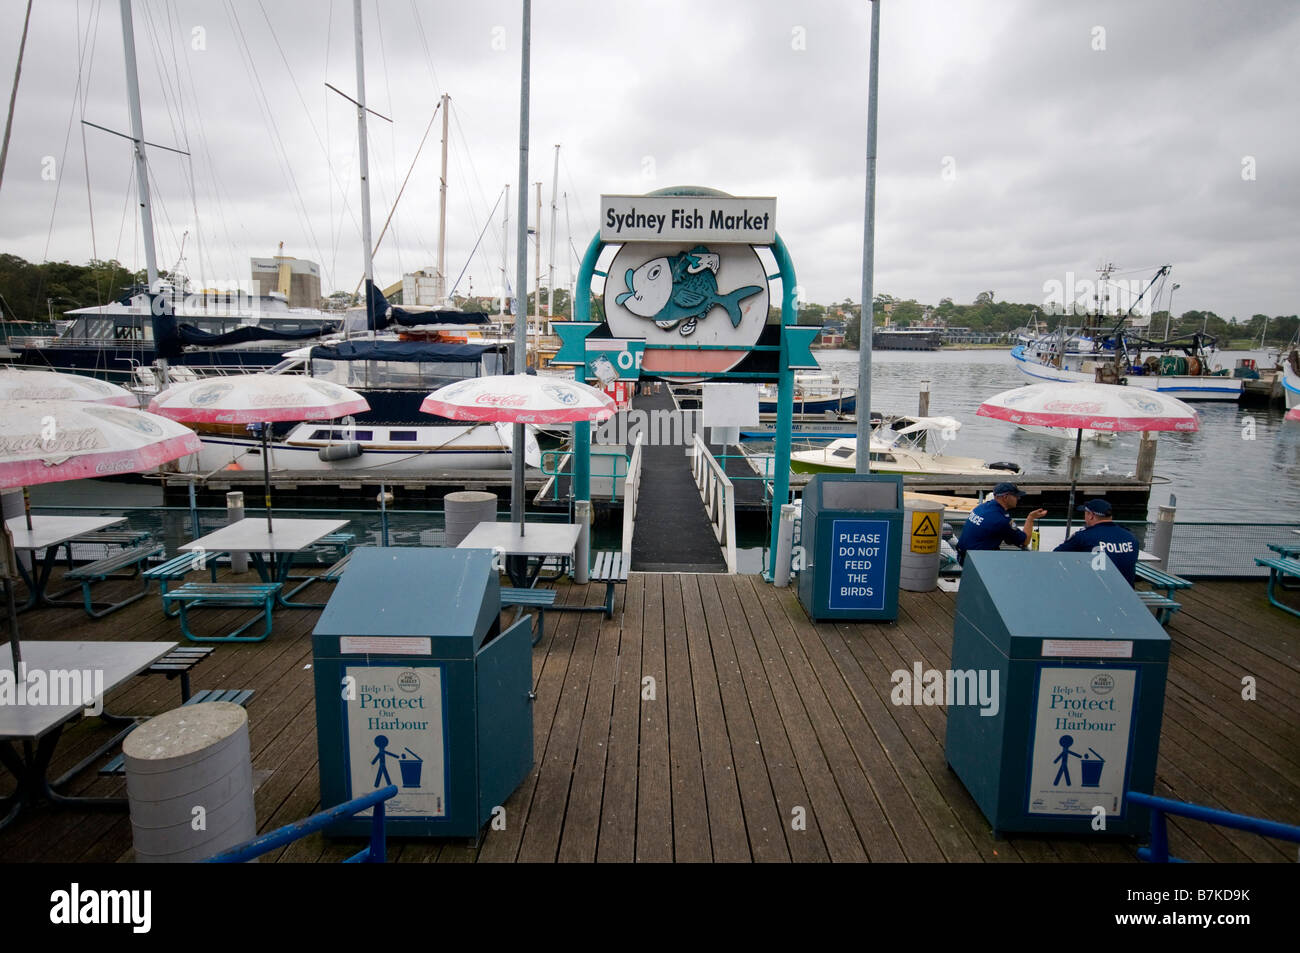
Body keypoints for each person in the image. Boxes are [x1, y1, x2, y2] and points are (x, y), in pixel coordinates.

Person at [955, 482, 1047, 564]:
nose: (1018, 498)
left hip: (962, 555)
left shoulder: (982, 507)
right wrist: (1030, 518)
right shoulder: (1001, 520)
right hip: (975, 562)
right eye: (1015, 496)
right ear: (1005, 497)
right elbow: (1024, 541)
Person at [1054, 498, 1139, 585]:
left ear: (1091, 515)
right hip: (1126, 594)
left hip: (1096, 592)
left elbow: (1055, 555)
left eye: (1085, 514)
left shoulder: (1083, 536)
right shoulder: (1130, 536)